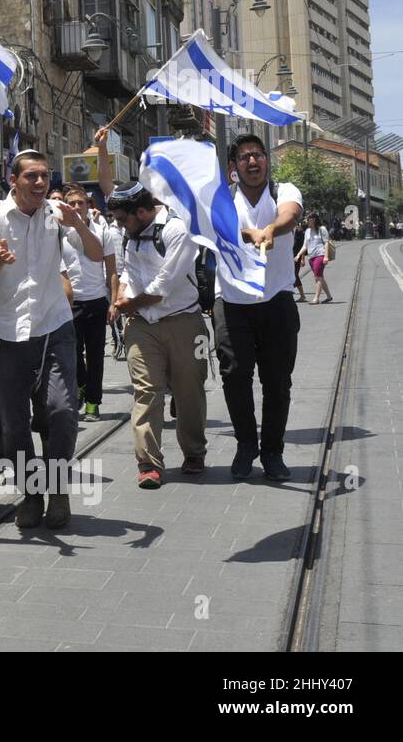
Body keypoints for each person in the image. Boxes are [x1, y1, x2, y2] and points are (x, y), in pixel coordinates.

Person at [0, 151, 105, 530]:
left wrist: (78, 224)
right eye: (30, 176)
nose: (39, 183)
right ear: (13, 180)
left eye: (44, 176)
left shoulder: (57, 212)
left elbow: (96, 254)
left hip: (55, 326)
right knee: (14, 423)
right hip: (9, 330)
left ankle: (58, 491)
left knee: (62, 411)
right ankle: (32, 494)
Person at [105, 182, 209, 489]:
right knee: (146, 391)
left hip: (183, 321)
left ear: (141, 211)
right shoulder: (132, 233)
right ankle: (148, 462)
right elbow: (130, 272)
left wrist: (128, 303)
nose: (120, 226)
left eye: (123, 219)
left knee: (188, 389)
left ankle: (193, 452)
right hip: (141, 325)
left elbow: (164, 286)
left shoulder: (177, 231)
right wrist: (122, 294)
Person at [215, 134, 304, 481]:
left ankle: (272, 452)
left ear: (267, 160)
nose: (253, 162)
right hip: (232, 301)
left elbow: (290, 216)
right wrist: (251, 234)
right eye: (244, 157)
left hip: (277, 301)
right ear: (234, 167)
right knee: (235, 377)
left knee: (277, 382)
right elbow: (219, 229)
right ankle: (246, 445)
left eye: (258, 155)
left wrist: (271, 229)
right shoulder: (222, 200)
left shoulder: (284, 190)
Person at [61, 184, 119, 421]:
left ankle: (93, 403)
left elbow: (112, 270)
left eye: (80, 203)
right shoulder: (59, 231)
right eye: (72, 203)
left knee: (95, 355)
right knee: (72, 354)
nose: (76, 207)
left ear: (88, 206)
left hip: (96, 302)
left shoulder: (102, 230)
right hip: (69, 304)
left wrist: (113, 303)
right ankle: (81, 387)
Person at [297, 213, 333, 305]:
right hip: (311, 257)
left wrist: (326, 256)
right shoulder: (307, 231)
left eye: (308, 219)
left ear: (313, 220)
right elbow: (305, 245)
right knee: (320, 277)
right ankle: (329, 296)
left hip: (320, 255)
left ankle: (316, 298)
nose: (306, 221)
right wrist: (298, 255)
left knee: (317, 277)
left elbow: (326, 243)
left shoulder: (322, 229)